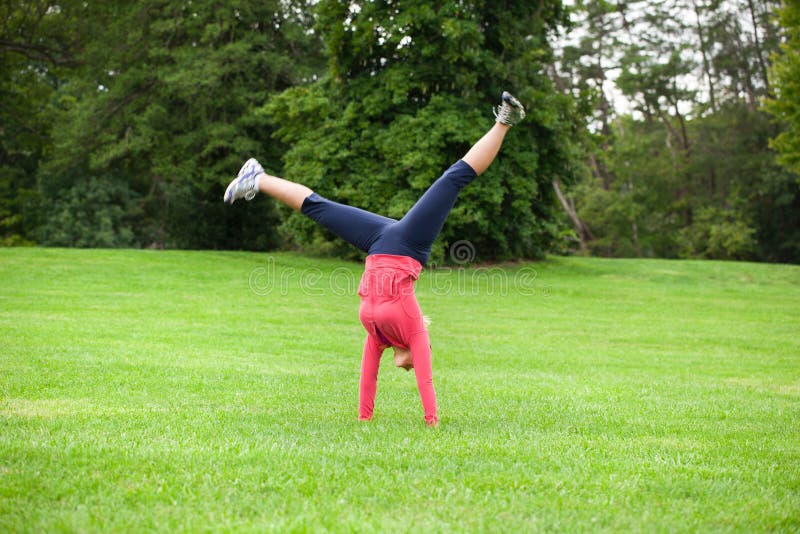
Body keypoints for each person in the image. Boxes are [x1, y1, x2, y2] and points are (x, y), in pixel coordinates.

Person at [224, 92, 525, 426]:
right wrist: (432, 422)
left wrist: (364, 419)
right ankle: (504, 121)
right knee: (453, 179)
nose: (411, 367)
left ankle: (258, 178)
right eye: (415, 362)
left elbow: (368, 378)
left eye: (410, 365)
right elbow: (426, 380)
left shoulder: (378, 333)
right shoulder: (413, 333)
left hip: (379, 243)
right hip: (409, 244)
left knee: (319, 209)